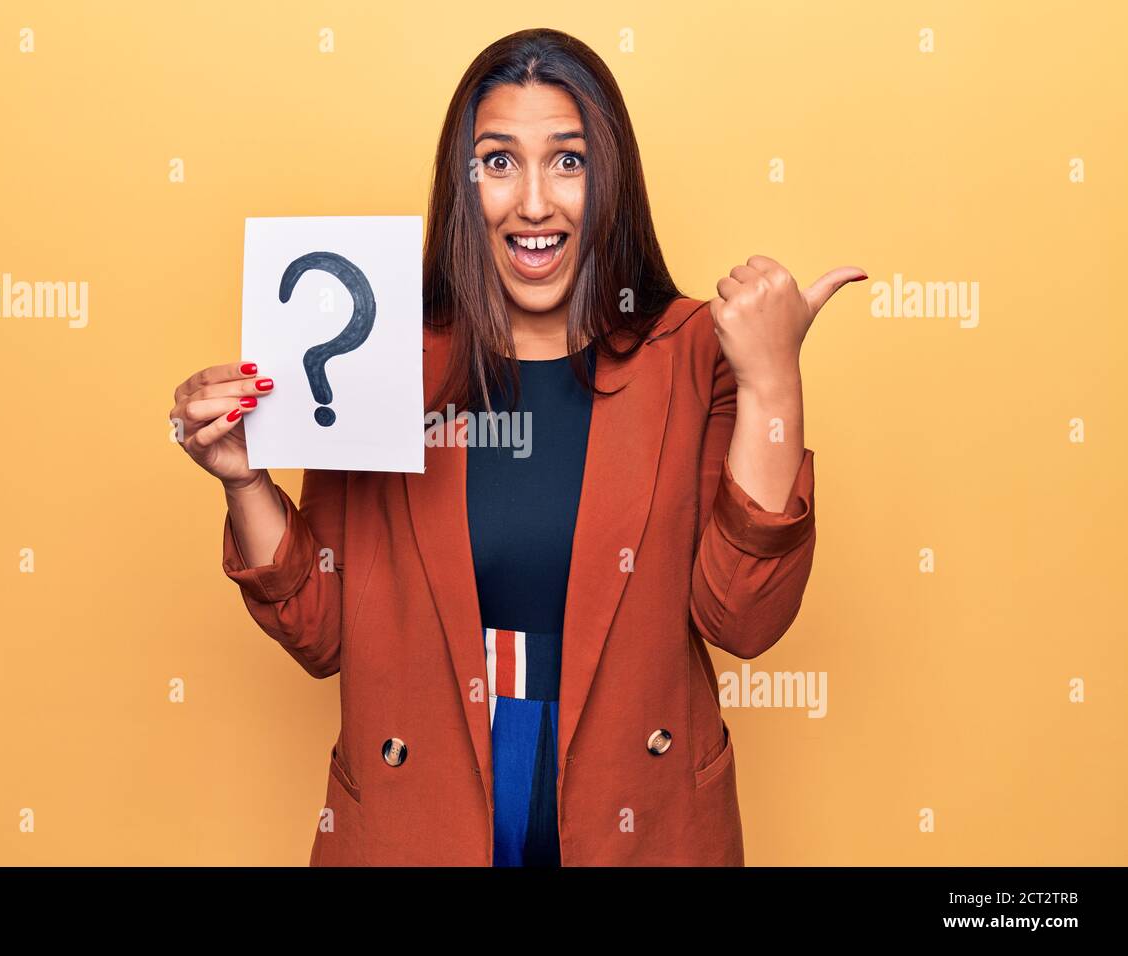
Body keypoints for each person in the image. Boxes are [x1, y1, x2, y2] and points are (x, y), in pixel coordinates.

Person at [169, 27, 864, 866]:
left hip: (633, 815)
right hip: (421, 810)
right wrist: (245, 483)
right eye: (499, 162)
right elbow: (321, 634)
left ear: (610, 178)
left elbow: (744, 619)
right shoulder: (387, 358)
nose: (534, 201)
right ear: (465, 186)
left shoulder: (690, 352)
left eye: (567, 160)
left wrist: (773, 383)